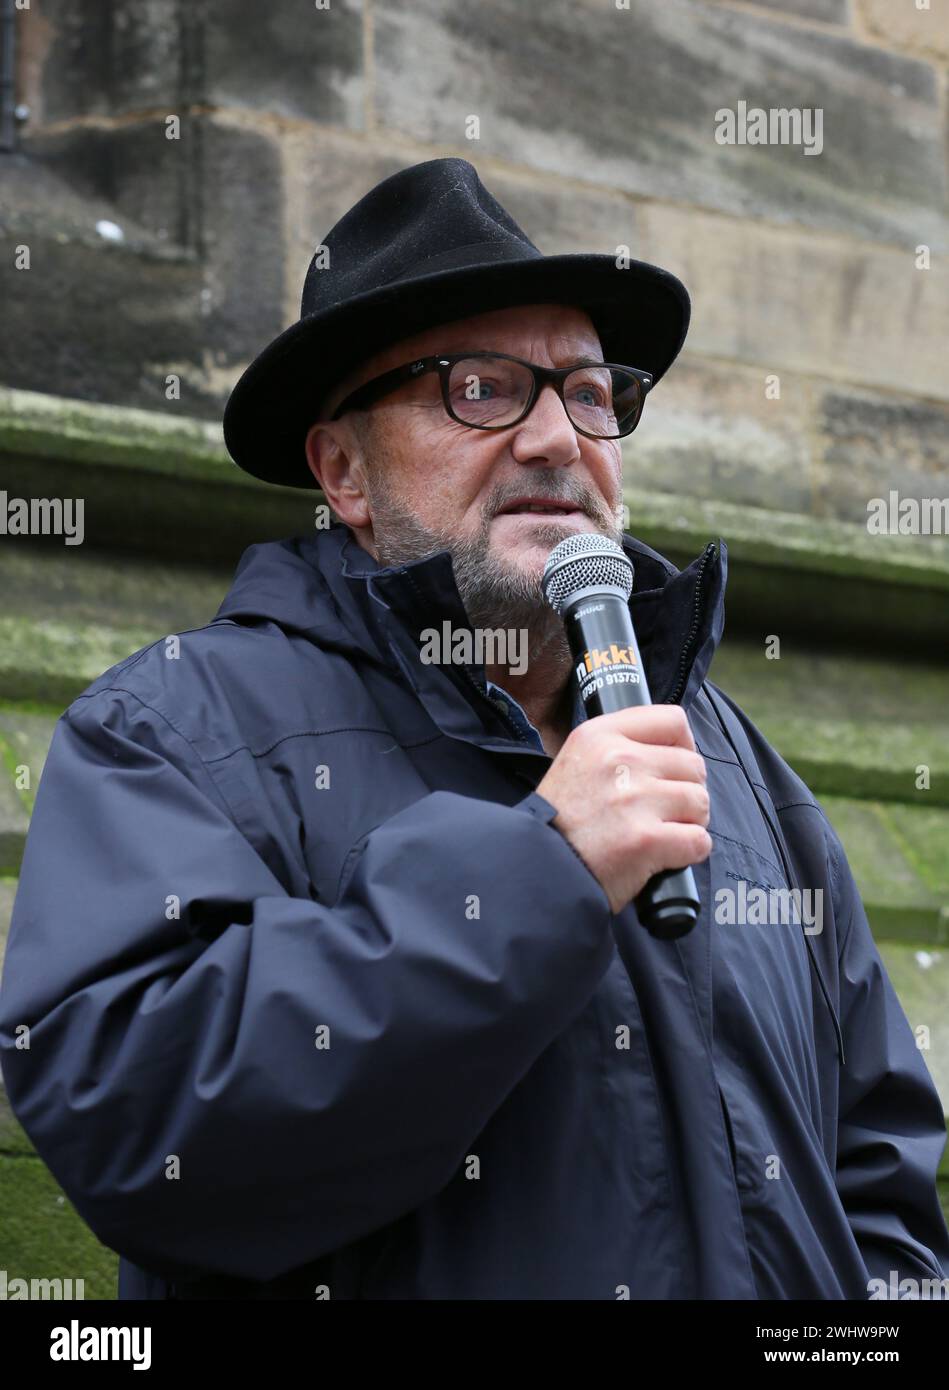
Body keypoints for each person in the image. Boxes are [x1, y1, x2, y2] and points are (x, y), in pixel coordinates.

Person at [1, 158, 947, 1301]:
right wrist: (540, 874)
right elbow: (141, 1130)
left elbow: (879, 1180)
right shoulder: (174, 732)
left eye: (591, 393)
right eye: (481, 388)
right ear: (342, 469)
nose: (558, 438)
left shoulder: (734, 761)